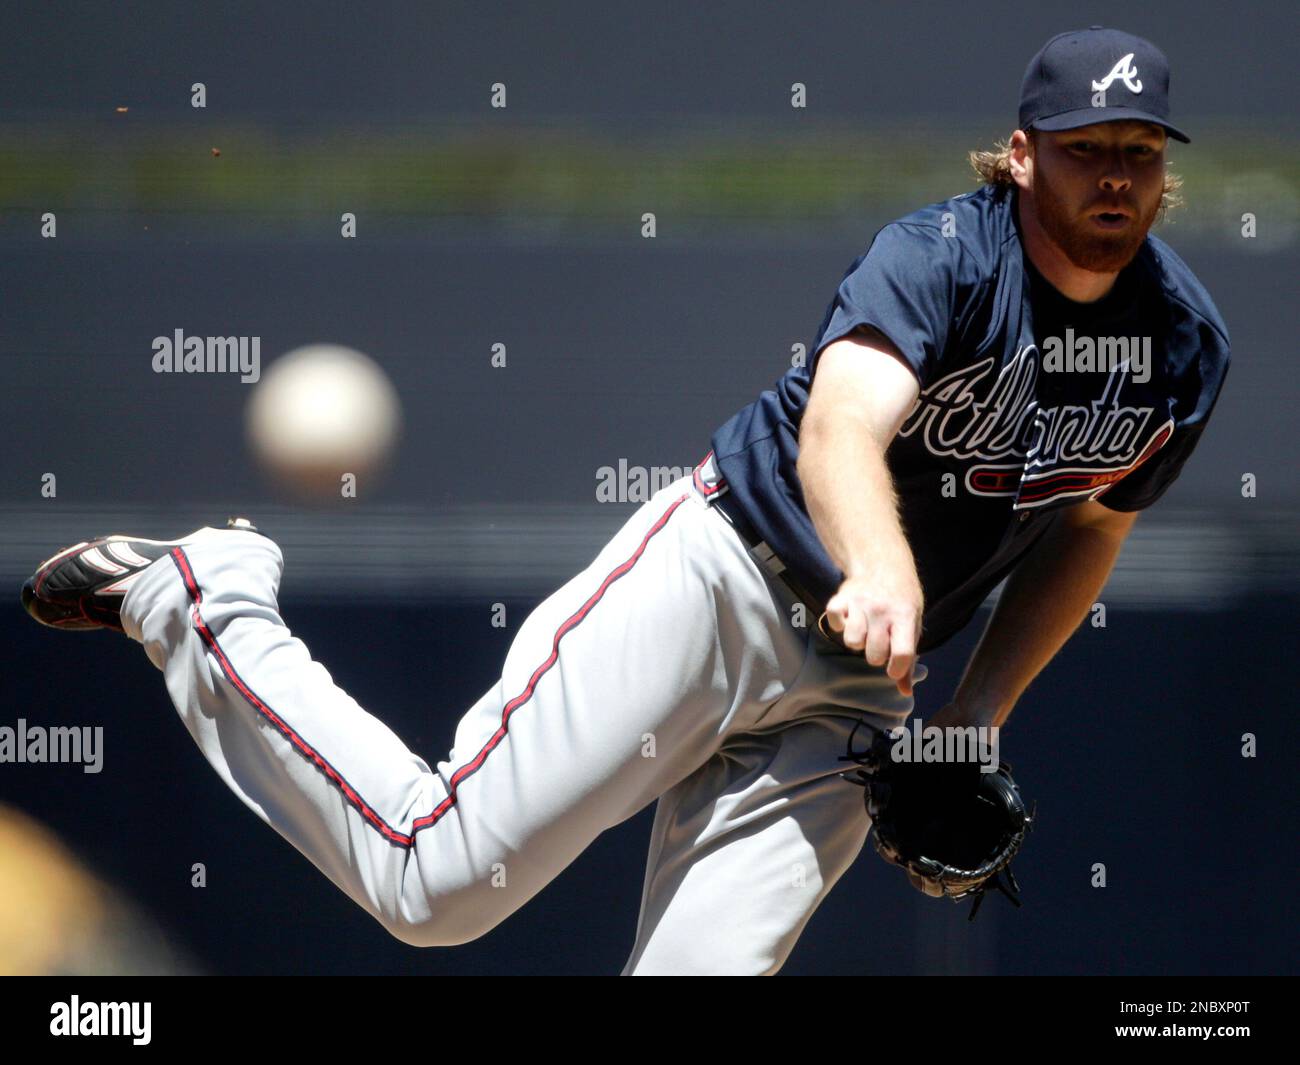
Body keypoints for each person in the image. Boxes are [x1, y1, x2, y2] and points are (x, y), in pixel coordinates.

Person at [20, 27, 1229, 974]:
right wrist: (883, 565)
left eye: (1137, 151)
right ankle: (205, 598)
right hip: (722, 582)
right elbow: (840, 425)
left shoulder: (1180, 344)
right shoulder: (944, 256)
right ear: (1021, 154)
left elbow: (1088, 530)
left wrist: (978, 710)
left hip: (861, 690)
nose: (1113, 177)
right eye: (1085, 146)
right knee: (432, 886)